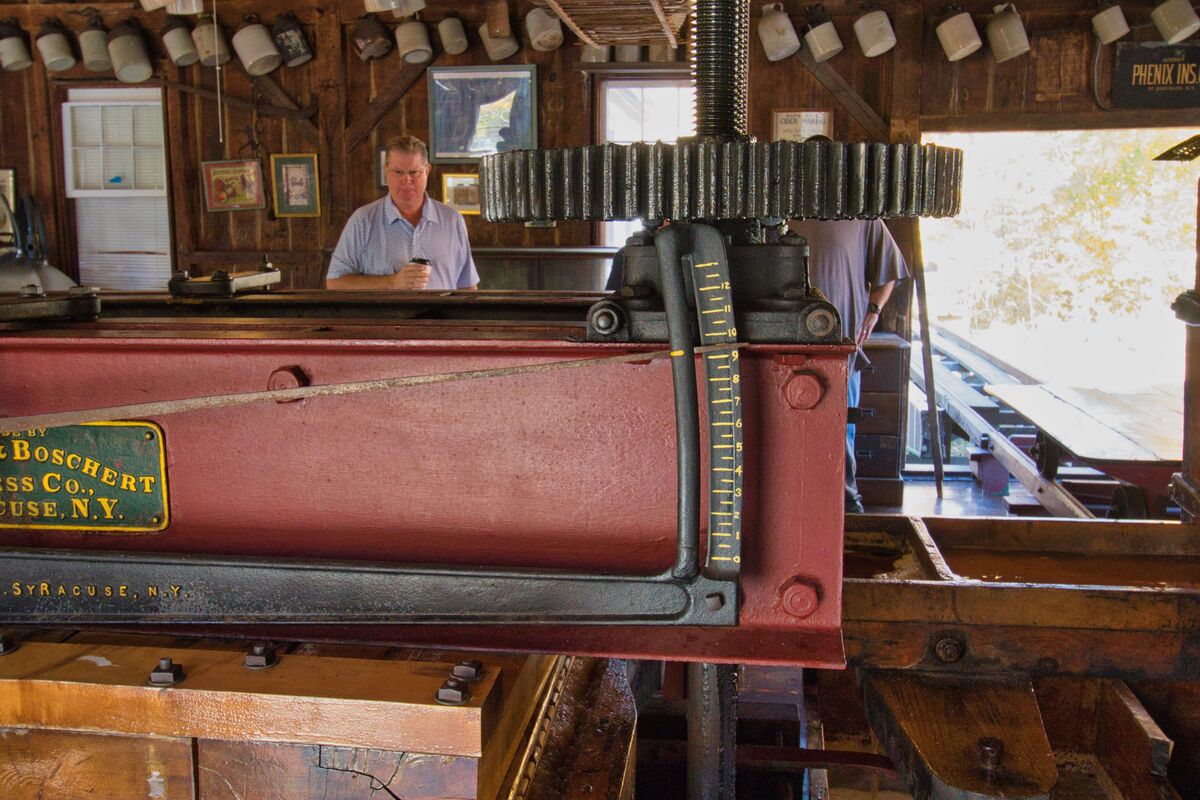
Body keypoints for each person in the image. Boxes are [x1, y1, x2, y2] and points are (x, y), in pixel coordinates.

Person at [789, 216, 909, 513]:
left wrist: (873, 311)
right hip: (786, 342)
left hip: (843, 347)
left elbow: (890, 271)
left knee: (841, 430)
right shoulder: (782, 210)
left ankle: (846, 502)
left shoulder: (861, 216)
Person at [326, 135, 478, 291]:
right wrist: (391, 282)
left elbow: (467, 286)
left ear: (427, 170)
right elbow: (335, 282)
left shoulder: (452, 220)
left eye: (414, 172)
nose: (406, 180)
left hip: (443, 309)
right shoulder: (363, 220)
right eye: (398, 172)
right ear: (386, 170)